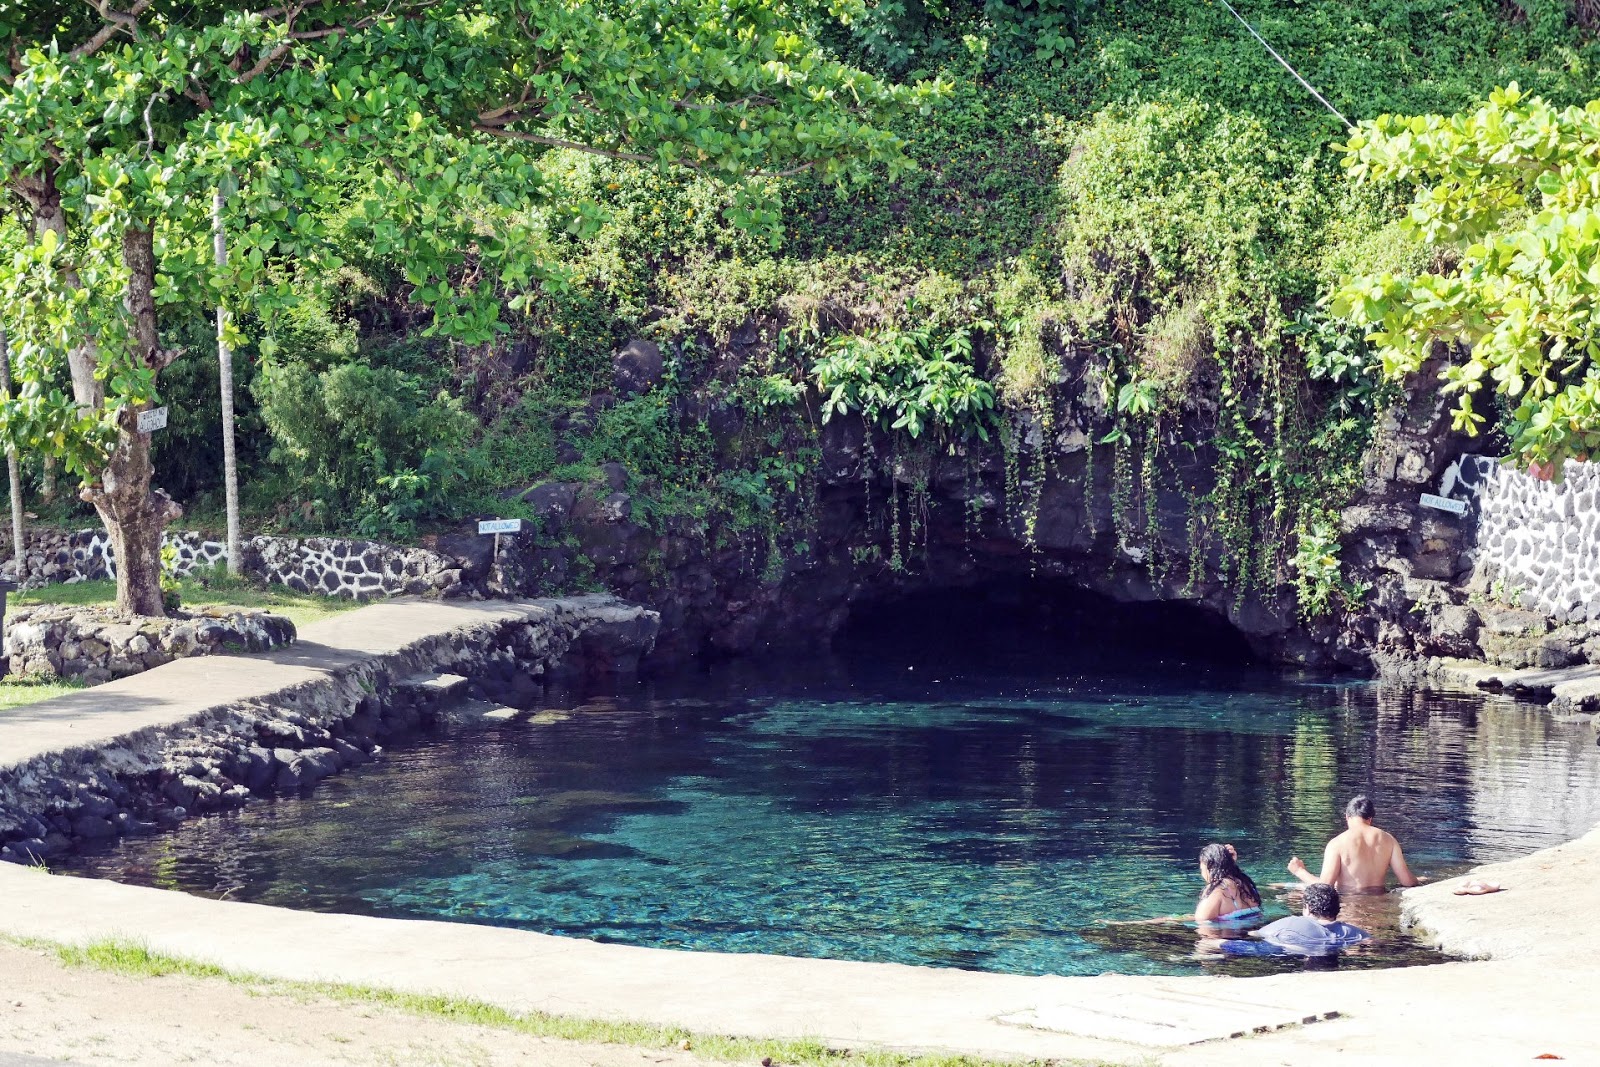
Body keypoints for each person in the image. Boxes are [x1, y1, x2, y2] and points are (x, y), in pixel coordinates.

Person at [1288, 795, 1419, 893]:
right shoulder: (1389, 839)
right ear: (1370, 818)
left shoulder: (1337, 843)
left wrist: (1299, 871)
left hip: (1347, 906)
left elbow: (1325, 887)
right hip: (1379, 904)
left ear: (1347, 816)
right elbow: (1407, 882)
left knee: (1293, 894)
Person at [1215, 882, 1369, 956]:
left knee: (1216, 943)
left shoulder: (1291, 923)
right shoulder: (1357, 933)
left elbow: (1256, 934)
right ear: (1337, 909)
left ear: (1307, 908)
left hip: (1289, 949)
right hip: (1331, 950)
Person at [1194, 842, 1262, 923]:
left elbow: (1201, 920)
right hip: (1251, 931)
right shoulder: (1246, 884)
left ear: (1210, 867)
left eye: (1202, 869)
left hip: (1225, 934)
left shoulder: (1217, 890)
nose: (1202, 874)